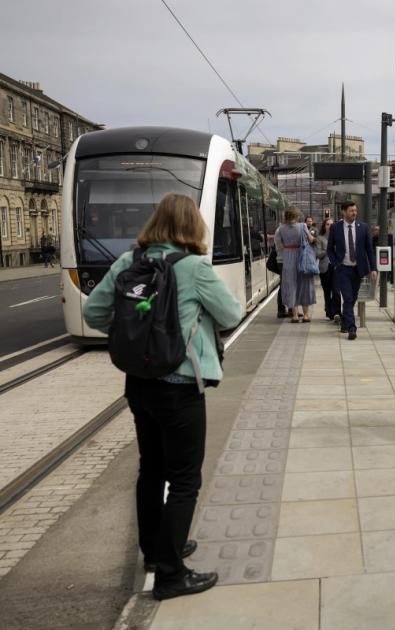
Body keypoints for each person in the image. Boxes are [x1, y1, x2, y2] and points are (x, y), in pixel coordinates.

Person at [82, 193, 243, 600]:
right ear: (193, 227)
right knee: (185, 479)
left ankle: (155, 551)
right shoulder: (192, 267)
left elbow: (95, 314)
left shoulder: (127, 263)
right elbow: (230, 314)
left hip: (139, 383)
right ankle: (171, 574)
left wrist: (138, 334)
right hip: (181, 385)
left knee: (151, 469)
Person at [327, 201, 377, 340]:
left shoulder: (363, 227)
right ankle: (351, 328)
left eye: (355, 210)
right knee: (348, 298)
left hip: (358, 269)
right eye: (351, 211)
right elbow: (330, 249)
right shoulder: (336, 228)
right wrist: (336, 263)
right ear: (343, 212)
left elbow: (369, 250)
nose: (354, 213)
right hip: (342, 269)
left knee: (352, 298)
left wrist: (373, 268)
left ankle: (345, 321)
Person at [275, 206, 317, 323]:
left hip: (288, 258)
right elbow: (311, 239)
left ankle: (294, 315)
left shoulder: (281, 229)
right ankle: (306, 315)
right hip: (301, 256)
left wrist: (288, 249)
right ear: (296, 216)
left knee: (291, 285)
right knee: (304, 284)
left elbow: (279, 246)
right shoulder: (302, 226)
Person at [315, 218, 341, 322]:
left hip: (335, 267)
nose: (330, 226)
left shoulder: (338, 238)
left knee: (336, 290)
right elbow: (318, 254)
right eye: (327, 224)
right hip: (325, 268)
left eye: (331, 224)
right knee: (327, 291)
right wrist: (328, 249)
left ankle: (337, 312)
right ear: (324, 226)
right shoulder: (319, 238)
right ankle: (329, 311)